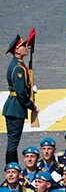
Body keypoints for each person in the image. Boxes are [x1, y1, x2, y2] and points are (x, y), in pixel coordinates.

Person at [3, 36, 37, 164]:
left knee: (13, 142)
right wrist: (31, 105)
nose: (26, 47)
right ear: (17, 50)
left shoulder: (19, 65)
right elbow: (21, 93)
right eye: (23, 45)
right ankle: (12, 168)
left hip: (15, 107)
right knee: (13, 142)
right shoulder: (18, 68)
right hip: (15, 108)